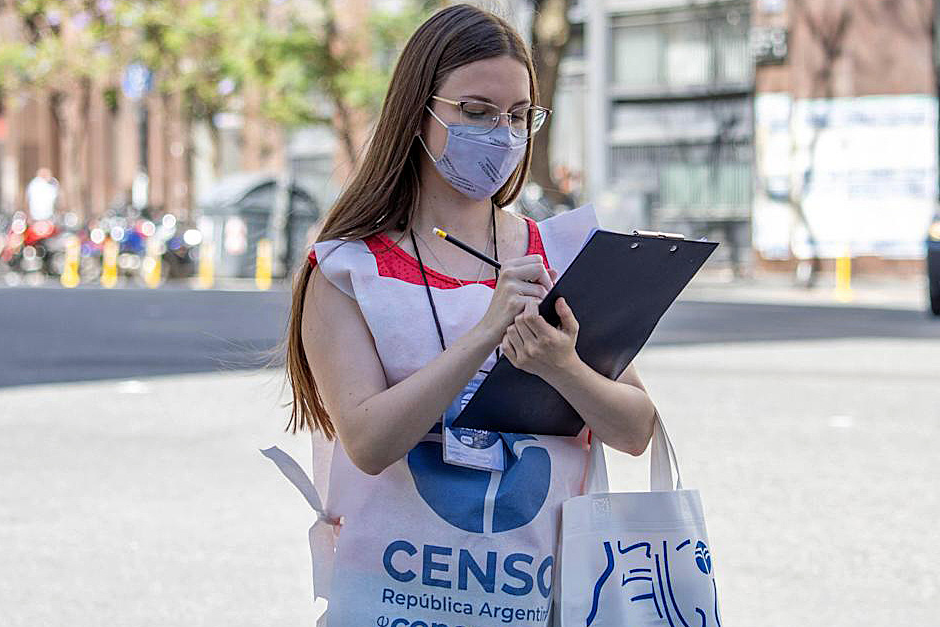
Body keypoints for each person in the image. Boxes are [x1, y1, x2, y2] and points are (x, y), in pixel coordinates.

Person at [279, 5, 658, 625]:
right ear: (418, 113)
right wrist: (486, 333)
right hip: (396, 600)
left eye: (519, 116)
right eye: (477, 113)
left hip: (538, 599)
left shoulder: (562, 254)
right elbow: (369, 442)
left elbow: (636, 428)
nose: (502, 135)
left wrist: (561, 366)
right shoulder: (349, 268)